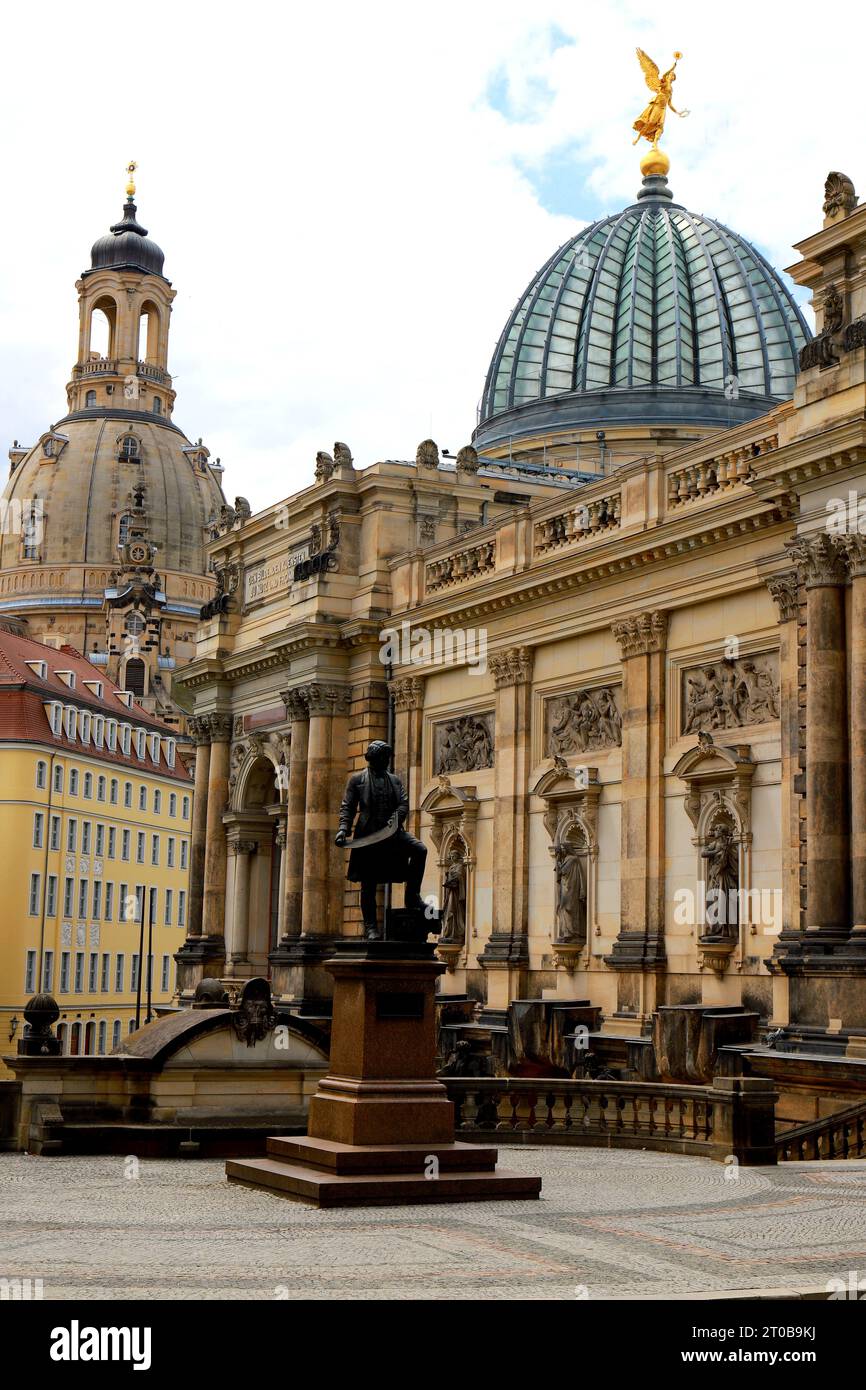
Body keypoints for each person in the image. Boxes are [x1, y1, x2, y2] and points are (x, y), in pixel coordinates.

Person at [335, 740, 427, 939]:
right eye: (384, 758)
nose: (387, 761)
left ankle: (412, 897)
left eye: (387, 758)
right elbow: (348, 807)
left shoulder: (394, 780)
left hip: (393, 833)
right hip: (368, 835)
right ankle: (370, 927)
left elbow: (403, 803)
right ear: (373, 758)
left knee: (420, 850)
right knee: (368, 882)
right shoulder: (357, 780)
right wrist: (343, 830)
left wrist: (395, 821)